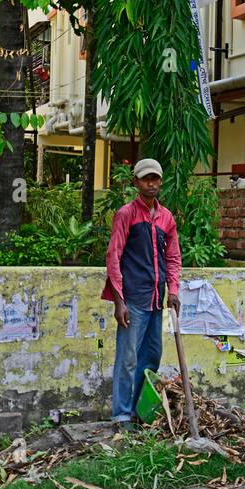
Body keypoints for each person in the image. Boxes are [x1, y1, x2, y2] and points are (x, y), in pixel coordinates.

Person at [102, 158, 181, 429]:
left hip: (156, 299)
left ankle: (137, 409)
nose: (151, 183)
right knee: (127, 359)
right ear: (136, 182)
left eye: (155, 179)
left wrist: (174, 290)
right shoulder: (126, 214)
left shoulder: (166, 218)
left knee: (151, 357)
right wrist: (119, 301)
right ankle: (121, 415)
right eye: (146, 179)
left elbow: (173, 257)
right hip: (133, 299)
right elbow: (113, 257)